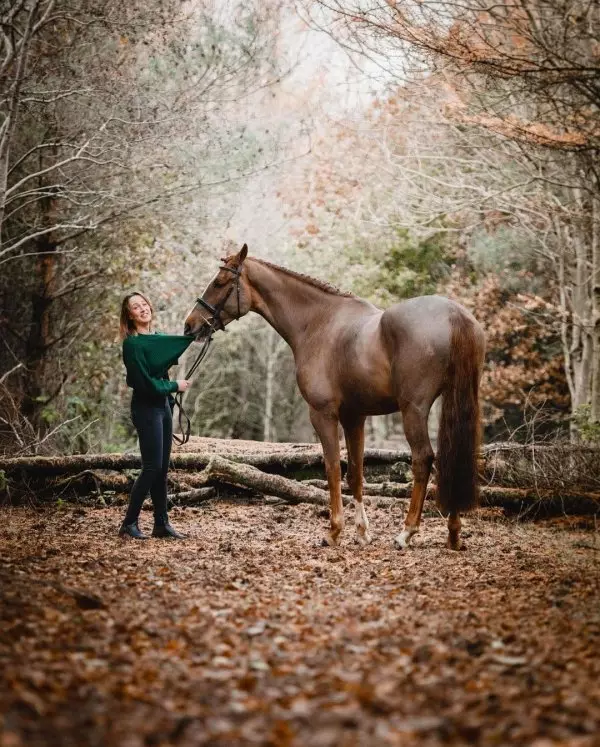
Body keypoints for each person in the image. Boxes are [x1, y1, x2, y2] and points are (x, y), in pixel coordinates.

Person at [118, 291, 195, 540]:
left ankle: (161, 524)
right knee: (151, 467)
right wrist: (175, 386)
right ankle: (129, 523)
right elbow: (145, 384)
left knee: (161, 469)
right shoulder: (132, 345)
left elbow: (177, 345)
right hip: (146, 409)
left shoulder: (157, 339)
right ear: (129, 315)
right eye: (136, 307)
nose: (142, 309)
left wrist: (199, 333)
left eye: (144, 304)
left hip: (162, 408)